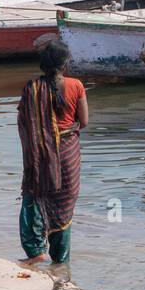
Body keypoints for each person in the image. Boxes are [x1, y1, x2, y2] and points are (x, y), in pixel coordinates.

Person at [17, 40, 88, 265]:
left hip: (40, 158)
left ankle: (36, 251)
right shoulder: (76, 85)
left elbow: (24, 123)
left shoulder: (32, 88)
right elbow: (84, 121)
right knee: (64, 207)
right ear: (65, 63)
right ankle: (61, 262)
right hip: (68, 156)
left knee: (34, 196)